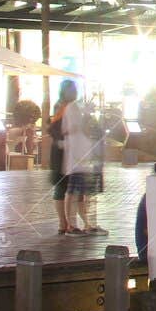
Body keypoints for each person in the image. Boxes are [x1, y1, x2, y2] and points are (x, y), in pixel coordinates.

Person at [60, 90, 107, 236]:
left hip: (89, 158)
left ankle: (89, 224)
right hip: (78, 159)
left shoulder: (81, 109)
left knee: (88, 193)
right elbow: (71, 130)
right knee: (74, 192)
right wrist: (86, 116)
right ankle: (72, 225)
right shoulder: (72, 108)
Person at [48, 79, 78, 236]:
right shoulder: (62, 106)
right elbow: (53, 129)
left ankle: (66, 222)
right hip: (62, 152)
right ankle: (64, 222)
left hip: (66, 150)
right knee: (62, 187)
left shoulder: (65, 106)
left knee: (65, 187)